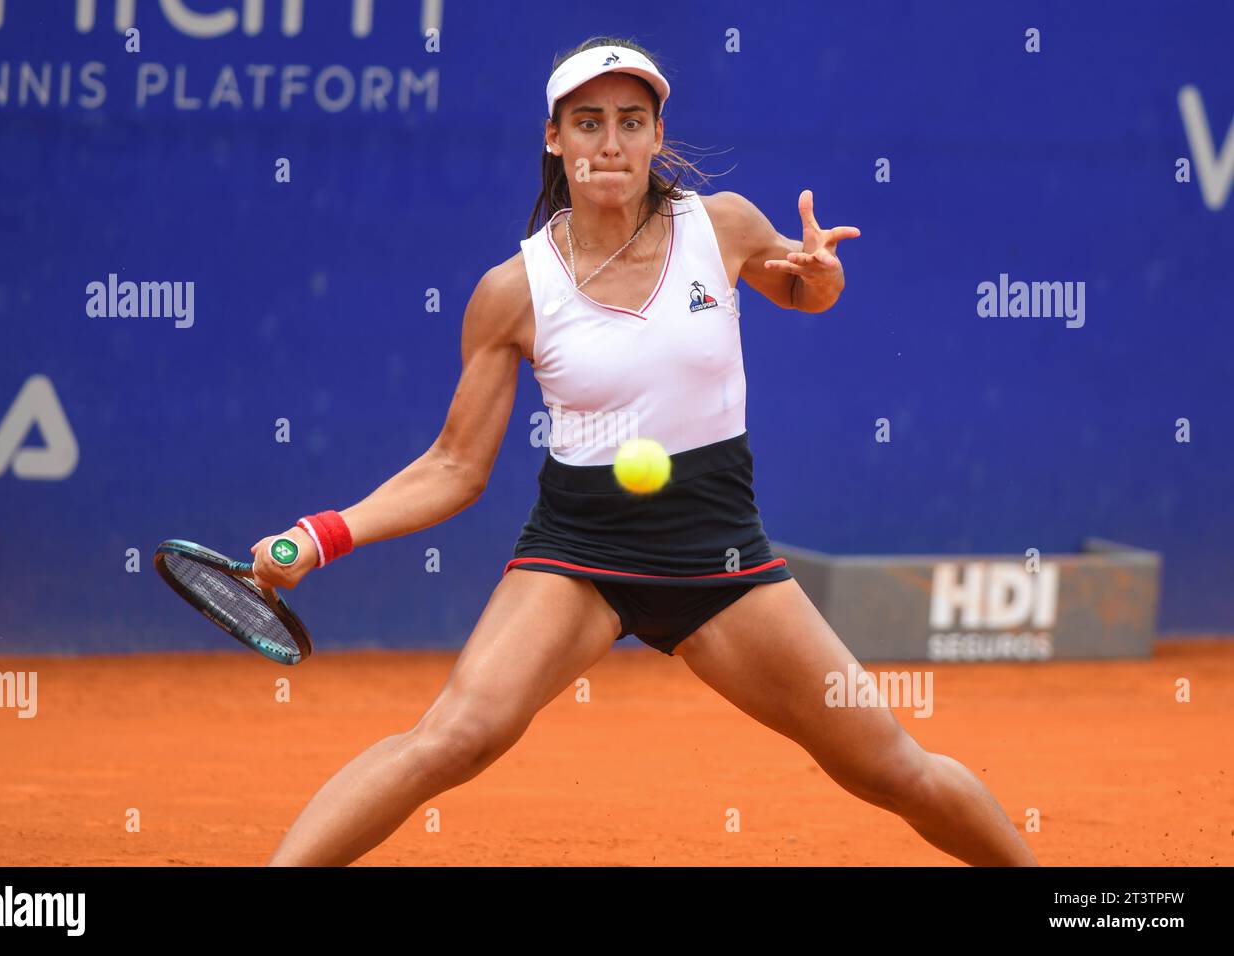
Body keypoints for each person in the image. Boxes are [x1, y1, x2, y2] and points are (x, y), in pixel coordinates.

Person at [249, 36, 1038, 867]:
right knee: (455, 737)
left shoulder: (722, 226)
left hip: (722, 561)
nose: (611, 143)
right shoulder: (512, 292)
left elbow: (802, 287)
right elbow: (455, 467)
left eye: (631, 121)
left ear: (659, 134)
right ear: (554, 139)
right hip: (578, 557)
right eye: (588, 123)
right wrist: (322, 534)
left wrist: (824, 279)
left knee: (889, 767)